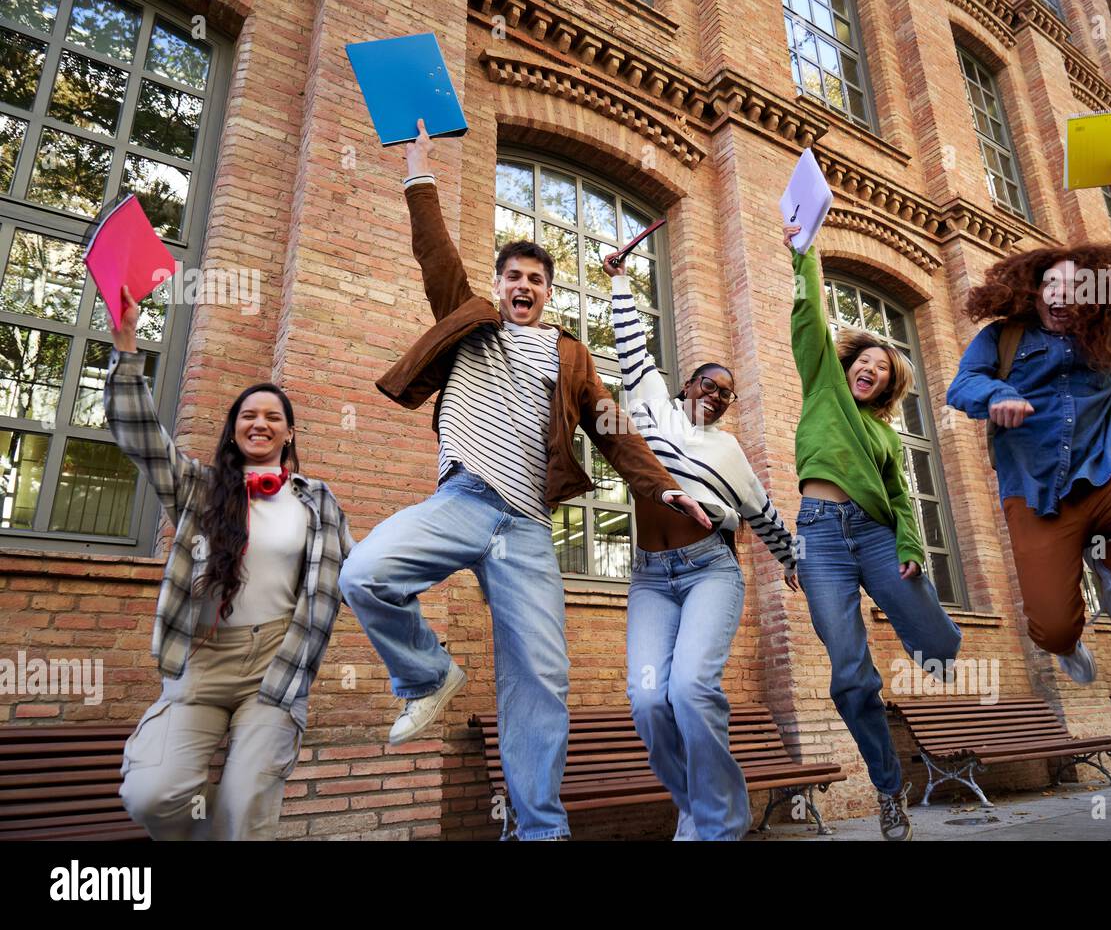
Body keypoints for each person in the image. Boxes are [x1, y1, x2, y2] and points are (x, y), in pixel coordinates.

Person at [339, 120, 711, 841]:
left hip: (527, 530)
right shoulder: (469, 319)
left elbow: (614, 430)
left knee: (538, 679)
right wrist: (419, 172)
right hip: (461, 502)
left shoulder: (569, 356)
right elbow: (435, 253)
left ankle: (540, 830)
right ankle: (424, 675)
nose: (522, 287)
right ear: (499, 284)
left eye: (535, 281)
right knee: (364, 572)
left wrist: (662, 487)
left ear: (545, 294)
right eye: (513, 277)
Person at [946, 165, 1111, 684]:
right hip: (1037, 493)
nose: (1064, 297)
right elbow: (962, 385)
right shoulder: (1004, 338)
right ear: (1036, 289)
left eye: (1077, 289)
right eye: (1054, 286)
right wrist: (998, 394)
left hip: (1107, 474)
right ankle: (1067, 640)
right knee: (1050, 629)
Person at [105, 287, 354, 840]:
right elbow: (143, 440)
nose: (259, 422)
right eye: (248, 415)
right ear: (235, 428)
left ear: (289, 432)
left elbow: (350, 580)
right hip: (203, 657)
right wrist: (127, 345)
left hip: (275, 659)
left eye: (273, 416)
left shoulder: (318, 502)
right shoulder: (199, 487)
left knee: (246, 808)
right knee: (152, 793)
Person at [603, 252, 800, 841]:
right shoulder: (649, 405)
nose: (715, 395)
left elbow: (762, 514)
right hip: (649, 576)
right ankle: (694, 807)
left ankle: (718, 827)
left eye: (726, 393)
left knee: (690, 688)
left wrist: (793, 561)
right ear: (686, 383)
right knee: (646, 699)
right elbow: (632, 345)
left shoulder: (729, 451)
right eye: (708, 384)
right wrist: (618, 282)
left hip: (711, 570)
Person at [784, 225, 962, 841]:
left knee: (941, 641)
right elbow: (809, 315)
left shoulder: (885, 436)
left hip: (879, 534)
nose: (869, 370)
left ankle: (930, 650)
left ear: (888, 384)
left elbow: (901, 499)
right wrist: (804, 251)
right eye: (863, 361)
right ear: (847, 365)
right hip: (820, 538)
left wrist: (912, 545)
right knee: (851, 675)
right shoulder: (822, 389)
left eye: (881, 369)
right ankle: (889, 790)